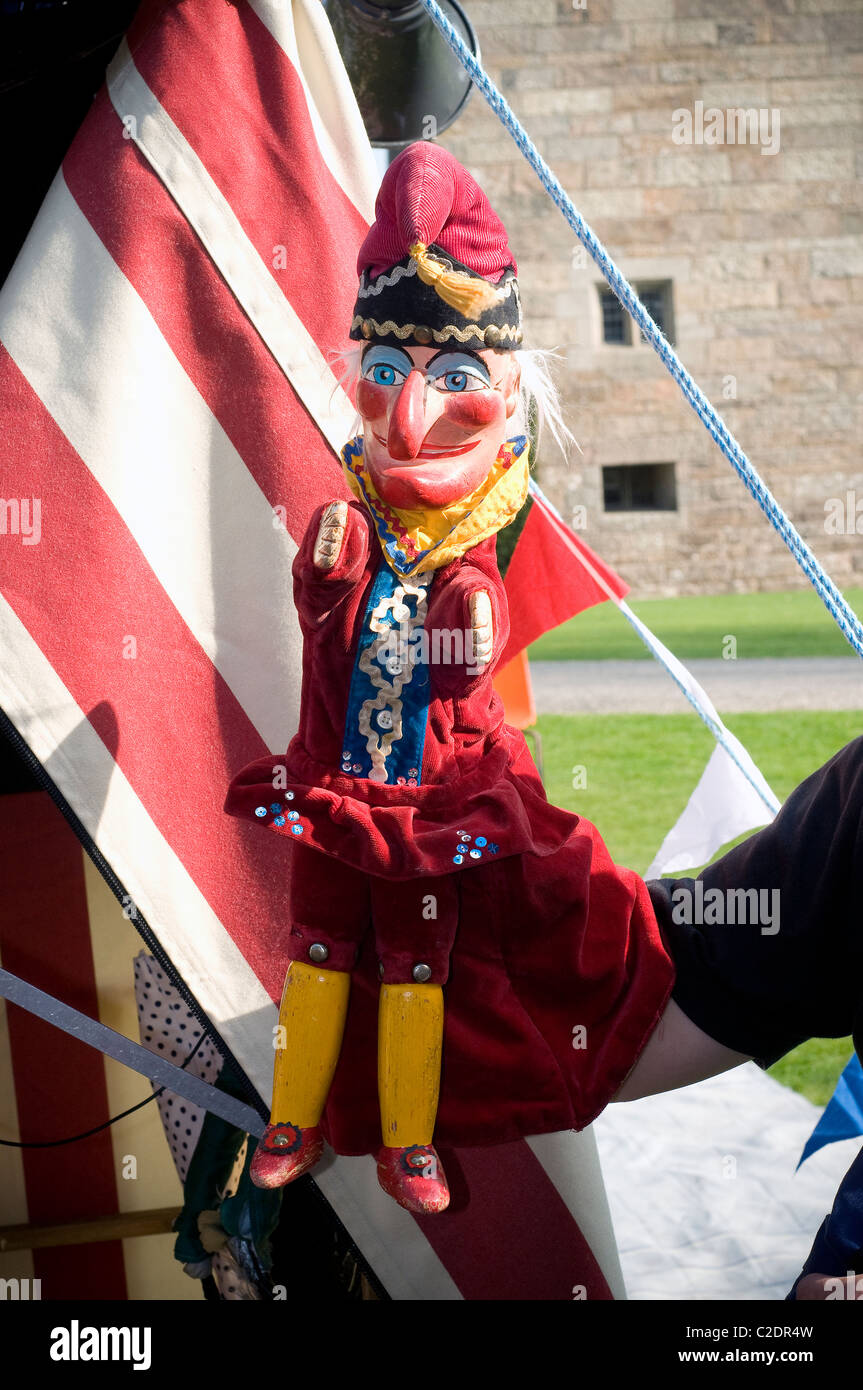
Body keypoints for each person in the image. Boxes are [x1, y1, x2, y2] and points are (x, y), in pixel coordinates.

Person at [224, 139, 862, 1225]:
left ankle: (406, 1129)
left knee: (413, 961)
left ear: (508, 395)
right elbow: (755, 950)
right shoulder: (357, 531)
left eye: (455, 381)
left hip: (431, 819)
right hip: (343, 799)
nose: (414, 416)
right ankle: (306, 1112)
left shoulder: (470, 565)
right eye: (387, 374)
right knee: (325, 946)